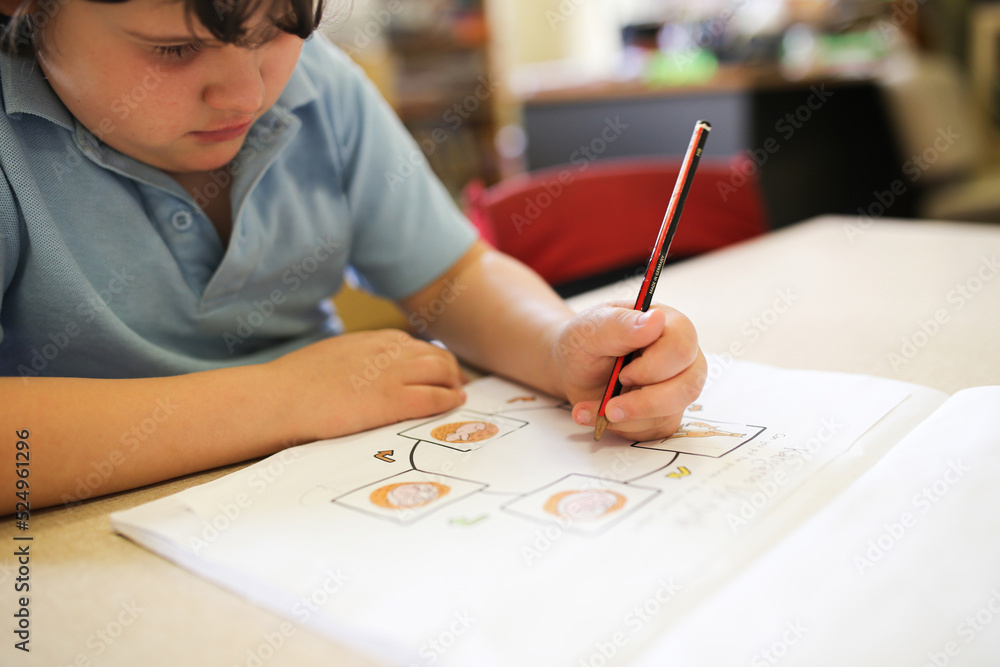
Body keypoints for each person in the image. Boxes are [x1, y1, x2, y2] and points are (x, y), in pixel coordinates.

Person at [0, 0, 706, 515]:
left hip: (328, 506)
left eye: (282, 26)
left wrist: (559, 344)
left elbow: (453, 276)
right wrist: (277, 399)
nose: (245, 93)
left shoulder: (321, 85)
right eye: (173, 50)